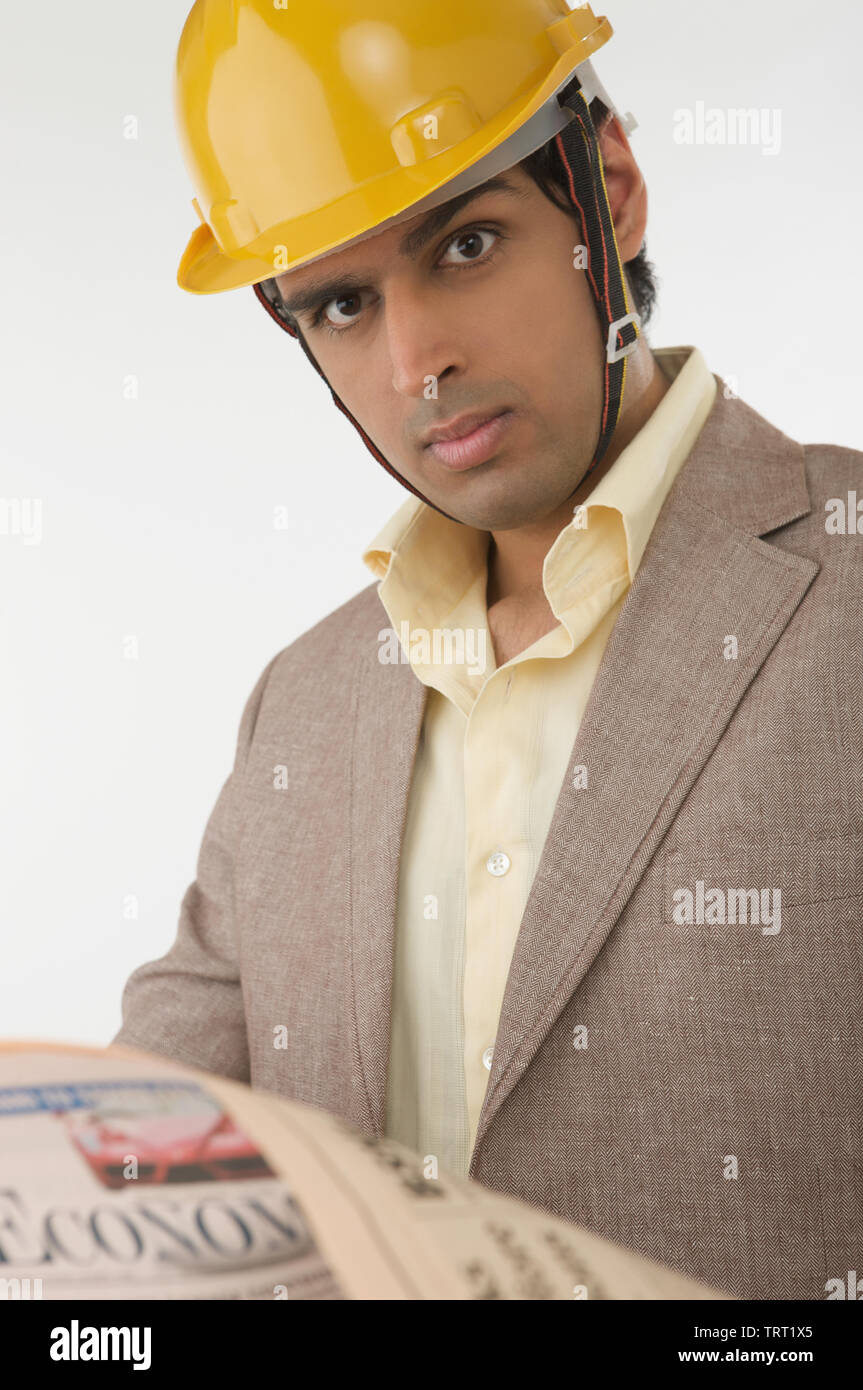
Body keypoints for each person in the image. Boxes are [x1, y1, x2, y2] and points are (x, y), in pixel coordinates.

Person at [115, 0, 863, 1300]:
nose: (417, 360)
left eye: (465, 243)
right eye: (342, 302)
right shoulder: (301, 706)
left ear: (607, 197)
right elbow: (143, 1157)